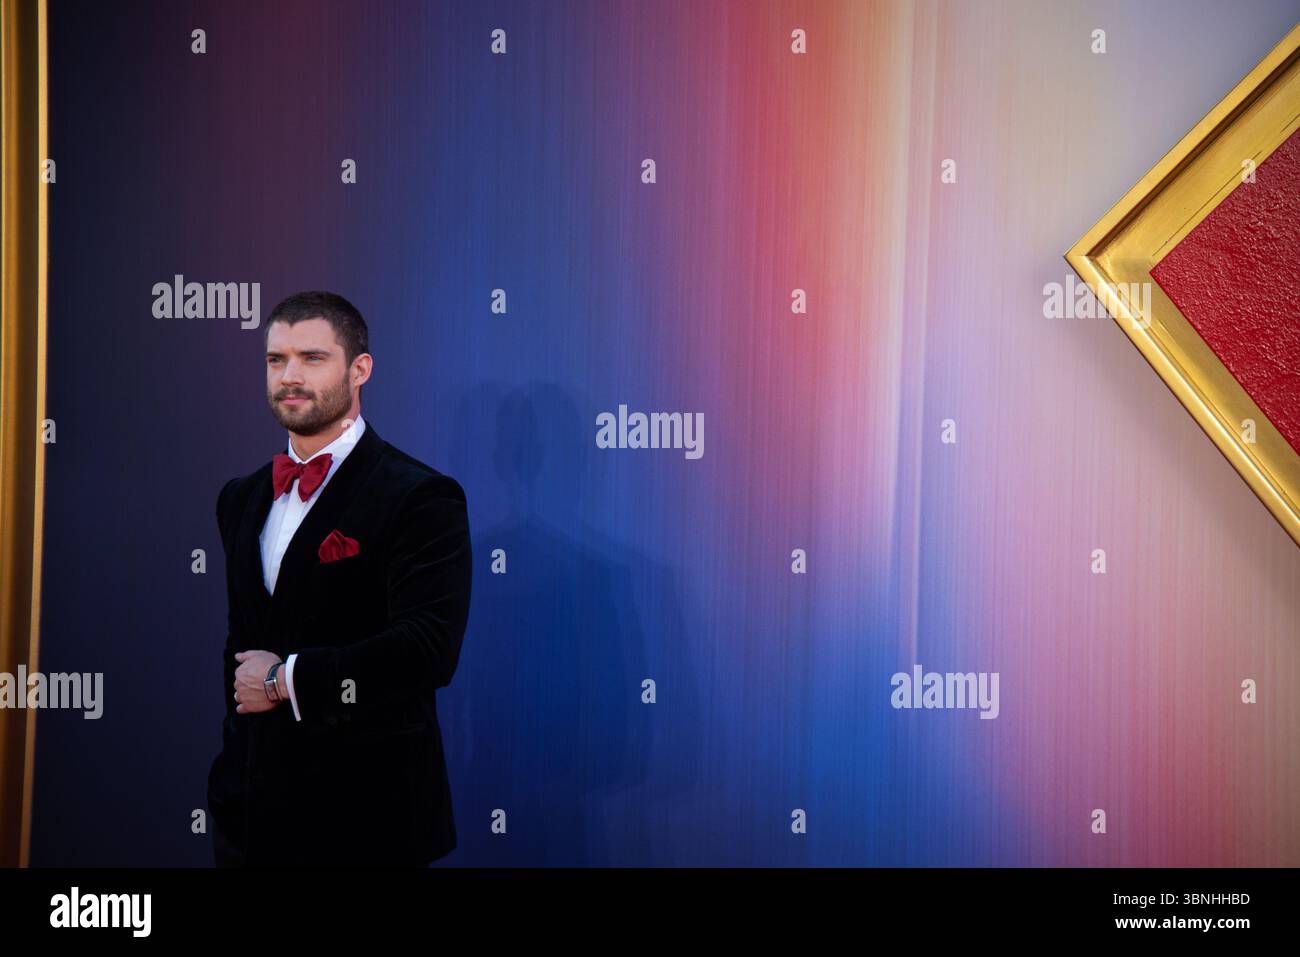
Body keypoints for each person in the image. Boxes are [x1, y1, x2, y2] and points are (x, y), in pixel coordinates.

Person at [206, 290, 472, 866]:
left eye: (312, 358)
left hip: (368, 822)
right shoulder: (241, 497)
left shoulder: (420, 495)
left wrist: (284, 679)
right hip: (248, 821)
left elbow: (429, 649)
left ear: (360, 370)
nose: (290, 377)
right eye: (276, 360)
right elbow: (241, 643)